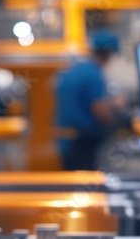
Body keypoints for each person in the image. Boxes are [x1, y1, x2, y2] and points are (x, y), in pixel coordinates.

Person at [55, 30, 132, 170]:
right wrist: (118, 125)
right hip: (82, 141)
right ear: (107, 54)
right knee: (83, 181)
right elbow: (99, 109)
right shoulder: (93, 74)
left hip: (66, 139)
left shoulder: (75, 70)